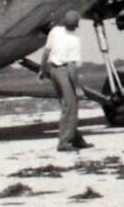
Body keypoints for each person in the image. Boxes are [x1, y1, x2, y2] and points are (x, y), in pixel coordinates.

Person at [38, 11, 93, 152]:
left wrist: (42, 70)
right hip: (64, 72)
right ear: (76, 25)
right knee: (70, 106)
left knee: (66, 105)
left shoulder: (55, 31)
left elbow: (46, 52)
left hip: (53, 71)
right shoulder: (74, 40)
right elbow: (72, 68)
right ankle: (64, 142)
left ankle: (76, 138)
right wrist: (78, 87)